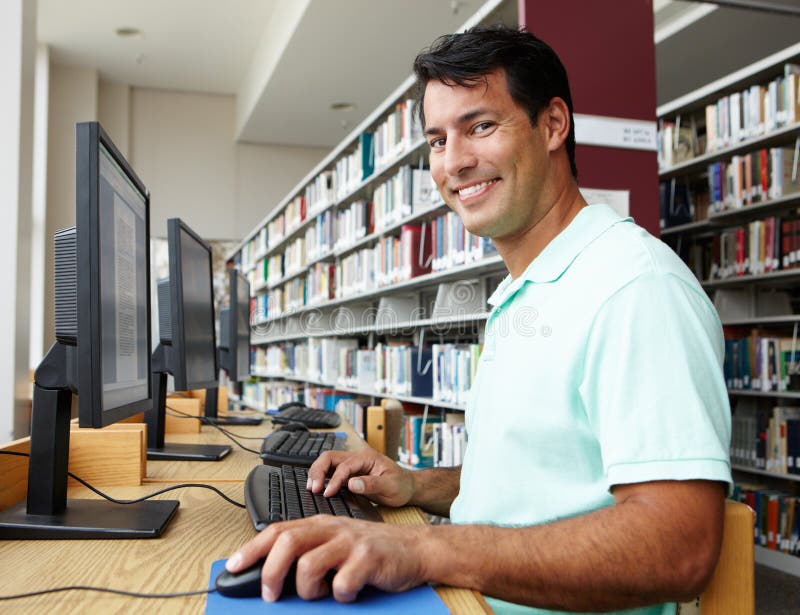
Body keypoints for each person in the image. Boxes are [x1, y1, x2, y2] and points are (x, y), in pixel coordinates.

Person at [226, 25, 732, 614]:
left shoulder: (636, 288)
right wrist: (415, 485)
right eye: (437, 140)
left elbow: (680, 546)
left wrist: (424, 550)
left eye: (480, 127)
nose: (455, 162)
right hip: (467, 596)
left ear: (553, 125)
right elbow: (534, 480)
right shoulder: (524, 289)